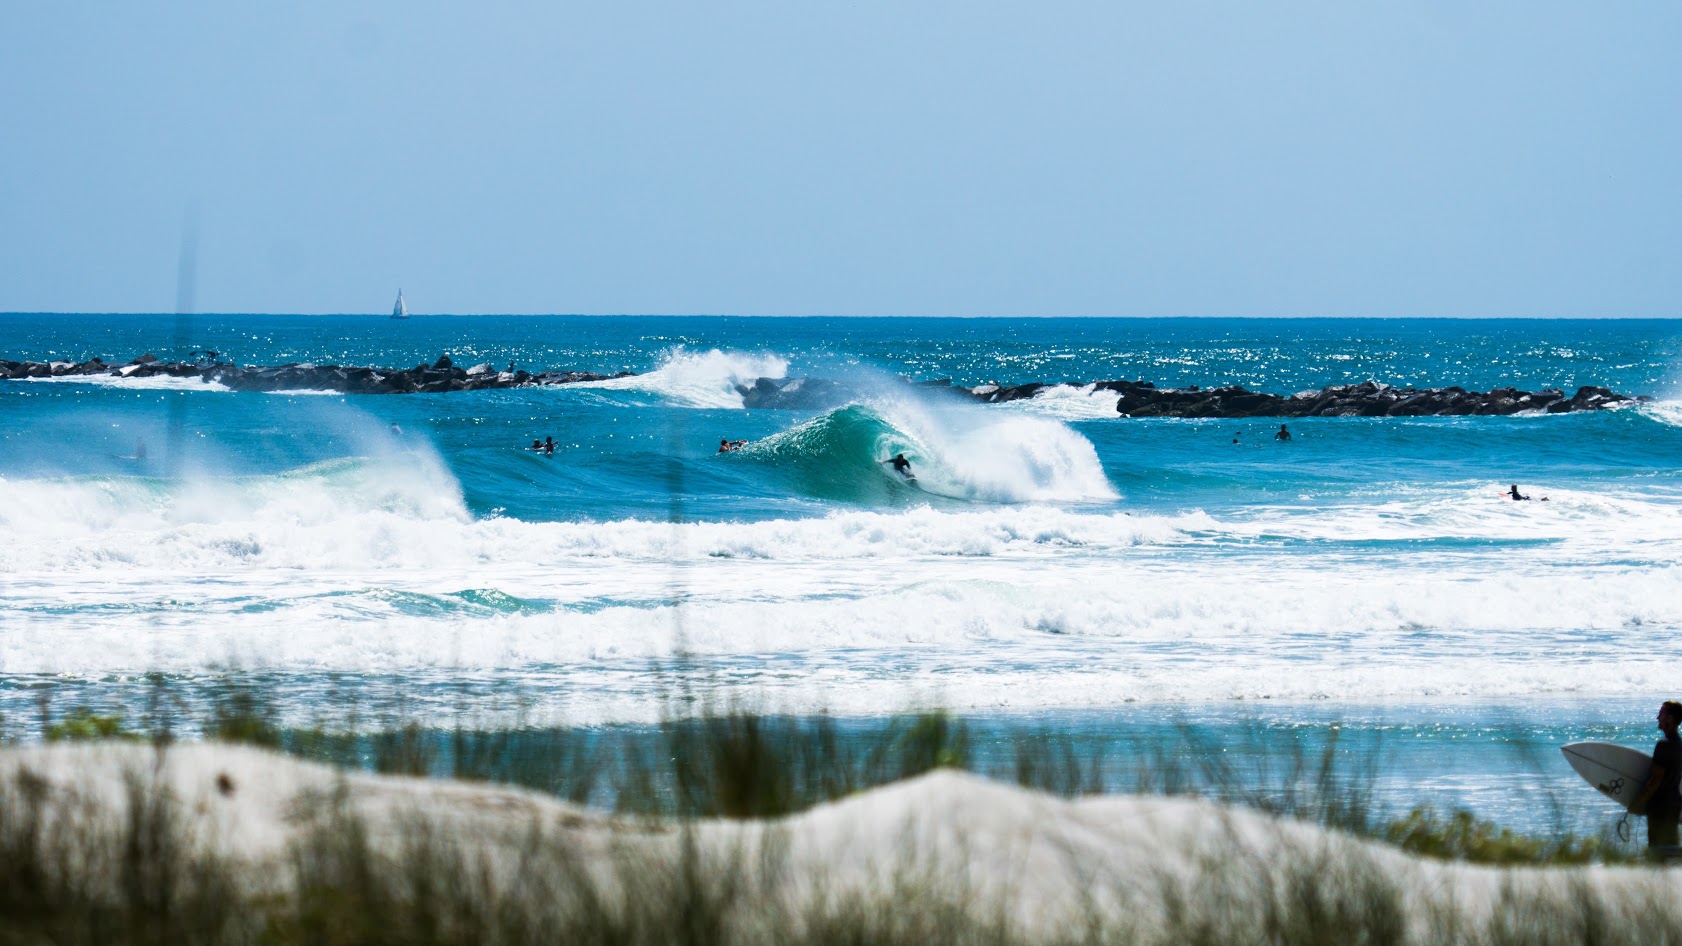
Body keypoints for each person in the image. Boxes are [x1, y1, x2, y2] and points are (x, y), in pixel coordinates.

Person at [1638, 701, 1682, 849]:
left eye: (1661, 714)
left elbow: (1655, 780)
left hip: (1660, 807)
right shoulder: (1679, 744)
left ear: (1670, 718)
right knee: (1671, 850)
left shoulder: (1664, 745)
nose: (1658, 718)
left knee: (1658, 853)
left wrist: (1638, 802)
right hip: (1674, 805)